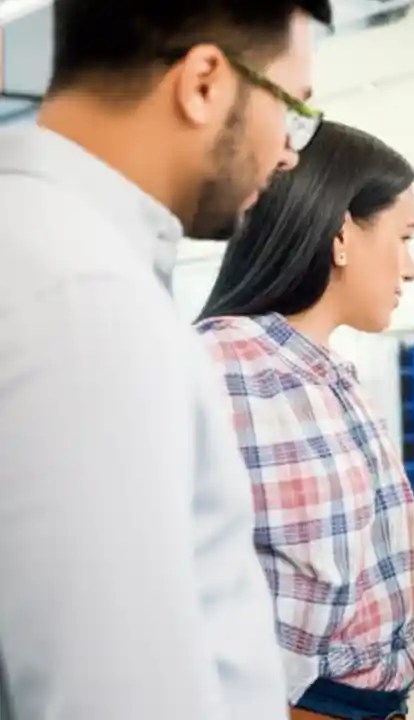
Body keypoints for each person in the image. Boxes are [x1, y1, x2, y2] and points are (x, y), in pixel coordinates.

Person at [0, 1, 330, 718]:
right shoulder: (85, 298)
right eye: (292, 107)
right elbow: (110, 696)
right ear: (205, 80)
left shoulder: (44, 251)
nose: (289, 151)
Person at [195, 120, 414, 720]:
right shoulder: (219, 367)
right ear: (343, 232)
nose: (410, 268)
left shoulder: (333, 377)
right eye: (403, 237)